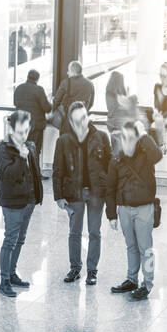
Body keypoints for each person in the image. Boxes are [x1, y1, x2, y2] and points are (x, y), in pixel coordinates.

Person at [53, 102, 109, 285]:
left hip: (96, 193)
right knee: (74, 232)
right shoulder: (63, 141)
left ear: (88, 115)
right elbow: (58, 170)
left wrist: (110, 195)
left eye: (84, 118)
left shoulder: (101, 137)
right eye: (77, 120)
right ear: (70, 121)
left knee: (94, 232)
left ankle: (92, 271)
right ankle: (75, 268)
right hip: (73, 192)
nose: (82, 123)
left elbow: (109, 167)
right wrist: (58, 196)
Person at [106, 124, 163, 300]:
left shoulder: (146, 154)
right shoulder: (116, 158)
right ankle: (132, 279)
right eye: (125, 137)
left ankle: (147, 284)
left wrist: (145, 134)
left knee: (146, 249)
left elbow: (158, 155)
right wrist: (111, 214)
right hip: (124, 208)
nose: (128, 141)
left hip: (144, 208)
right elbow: (110, 187)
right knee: (131, 246)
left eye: (132, 137)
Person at [0, 109, 42, 298]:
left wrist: (37, 196)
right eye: (20, 132)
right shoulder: (4, 149)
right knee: (10, 240)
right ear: (11, 129)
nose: (23, 135)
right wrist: (21, 158)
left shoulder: (29, 145)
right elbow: (8, 176)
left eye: (26, 130)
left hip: (29, 199)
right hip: (13, 202)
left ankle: (12, 273)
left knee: (20, 239)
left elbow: (34, 173)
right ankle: (4, 280)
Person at [14, 70, 54, 176]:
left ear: (28, 76)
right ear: (37, 79)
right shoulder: (39, 90)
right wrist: (51, 103)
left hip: (21, 124)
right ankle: (35, 174)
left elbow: (15, 103)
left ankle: (21, 172)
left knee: (21, 148)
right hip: (36, 125)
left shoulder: (18, 88)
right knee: (35, 150)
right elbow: (47, 108)